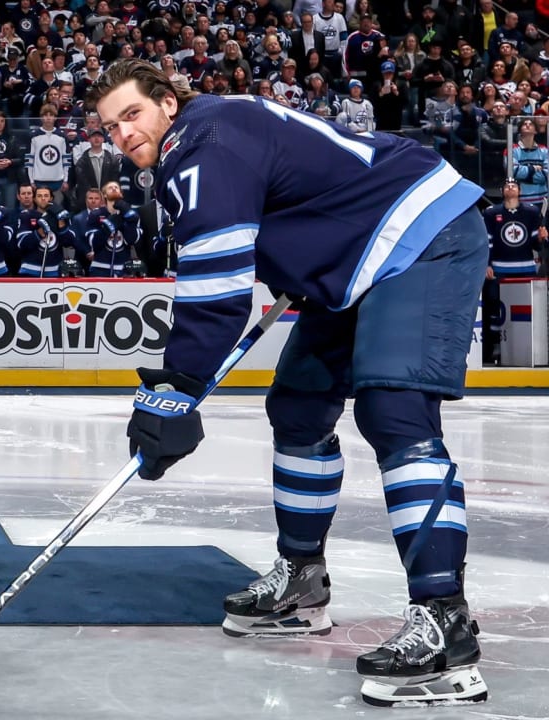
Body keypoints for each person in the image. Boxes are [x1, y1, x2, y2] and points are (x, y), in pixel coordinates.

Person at [92, 59, 488, 707]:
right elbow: (290, 196)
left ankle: (444, 618)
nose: (122, 134)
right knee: (299, 407)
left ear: (168, 103)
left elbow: (216, 292)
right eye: (110, 127)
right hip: (355, 251)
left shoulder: (200, 145)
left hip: (422, 233)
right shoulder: (207, 136)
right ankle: (301, 582)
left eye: (132, 114)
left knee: (395, 414)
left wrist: (177, 389)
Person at [481, 179, 544, 364]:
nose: (510, 188)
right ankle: (496, 347)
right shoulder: (492, 213)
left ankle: (529, 348)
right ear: (502, 190)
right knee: (495, 309)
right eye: (507, 186)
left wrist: (541, 239)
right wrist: (487, 264)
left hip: (525, 269)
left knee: (526, 312)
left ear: (520, 190)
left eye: (514, 186)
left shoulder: (532, 212)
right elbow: (488, 242)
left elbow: (536, 244)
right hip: (499, 269)